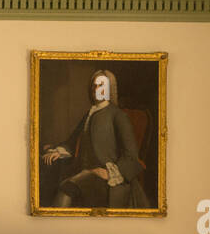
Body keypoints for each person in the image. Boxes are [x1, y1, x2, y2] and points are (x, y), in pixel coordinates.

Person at [40, 69, 149, 210]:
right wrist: (59, 152)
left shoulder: (118, 115)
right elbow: (72, 141)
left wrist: (109, 172)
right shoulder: (90, 113)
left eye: (101, 85)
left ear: (109, 88)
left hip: (109, 181)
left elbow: (131, 156)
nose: (97, 89)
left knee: (65, 190)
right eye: (94, 85)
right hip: (86, 173)